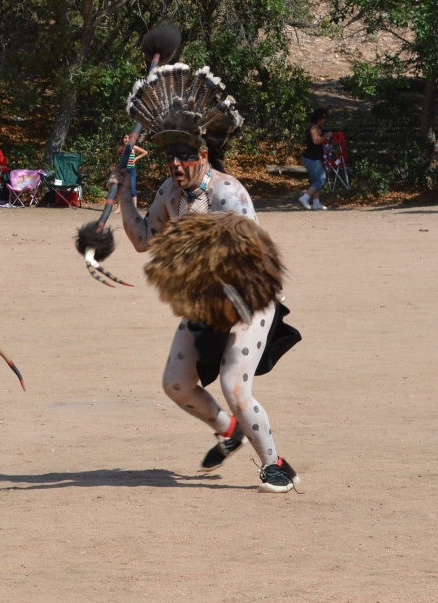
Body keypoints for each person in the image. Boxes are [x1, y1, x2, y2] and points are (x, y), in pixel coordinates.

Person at [113, 64, 302, 493]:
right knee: (176, 383)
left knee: (236, 384)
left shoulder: (228, 194)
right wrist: (125, 191)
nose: (175, 165)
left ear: (203, 156)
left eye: (184, 157)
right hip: (205, 303)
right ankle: (229, 431)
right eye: (170, 158)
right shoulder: (169, 193)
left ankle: (276, 464)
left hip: (249, 300)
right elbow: (143, 239)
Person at [299, 108, 331, 210]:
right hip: (311, 158)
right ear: (318, 118)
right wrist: (326, 136)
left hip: (315, 157)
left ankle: (316, 202)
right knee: (321, 179)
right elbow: (316, 141)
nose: (325, 120)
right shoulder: (314, 128)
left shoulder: (317, 128)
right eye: (324, 118)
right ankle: (305, 197)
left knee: (315, 180)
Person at [114, 133, 148, 214]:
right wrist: (121, 159)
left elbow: (145, 152)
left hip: (131, 170)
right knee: (121, 188)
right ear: (122, 139)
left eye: (128, 138)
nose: (126, 140)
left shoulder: (133, 147)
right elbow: (118, 153)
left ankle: (134, 209)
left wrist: (136, 158)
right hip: (123, 170)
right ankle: (119, 208)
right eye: (125, 138)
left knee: (132, 189)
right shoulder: (121, 148)